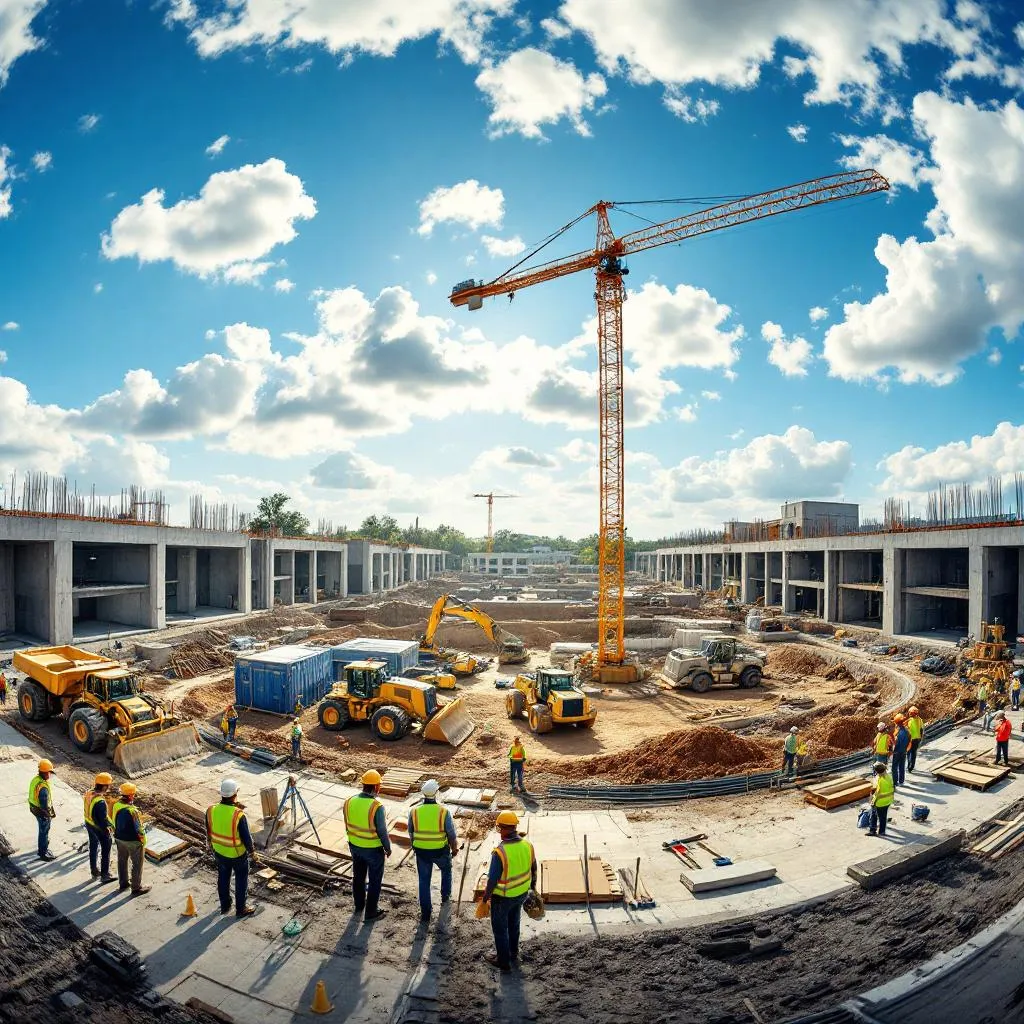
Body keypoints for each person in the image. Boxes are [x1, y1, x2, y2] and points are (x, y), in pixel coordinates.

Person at [481, 810, 537, 972]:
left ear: (503, 829)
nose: (499, 832)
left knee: (500, 929)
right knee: (514, 923)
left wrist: (485, 898)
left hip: (503, 898)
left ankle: (503, 961)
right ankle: (513, 952)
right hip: (521, 894)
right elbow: (534, 868)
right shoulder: (528, 846)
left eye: (499, 828)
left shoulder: (500, 852)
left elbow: (492, 880)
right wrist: (533, 889)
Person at [344, 769, 391, 922]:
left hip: (354, 846)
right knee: (375, 880)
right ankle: (371, 912)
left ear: (363, 784)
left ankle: (359, 905)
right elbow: (382, 831)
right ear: (376, 787)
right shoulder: (376, 806)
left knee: (358, 876)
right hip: (373, 850)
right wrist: (387, 848)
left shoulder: (349, 801)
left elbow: (347, 823)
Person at [205, 778, 257, 918]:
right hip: (237, 854)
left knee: (223, 878)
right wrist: (252, 852)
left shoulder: (211, 810)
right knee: (241, 880)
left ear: (221, 794)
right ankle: (241, 909)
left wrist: (210, 846)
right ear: (235, 794)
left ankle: (225, 905)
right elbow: (246, 838)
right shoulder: (238, 814)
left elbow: (208, 830)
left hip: (219, 852)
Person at [409, 779, 458, 922]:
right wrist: (454, 848)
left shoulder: (414, 811)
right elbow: (451, 834)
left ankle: (425, 913)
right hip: (440, 851)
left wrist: (415, 846)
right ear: (436, 793)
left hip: (421, 852)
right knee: (446, 871)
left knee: (424, 880)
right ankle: (445, 898)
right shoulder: (443, 812)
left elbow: (411, 832)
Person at [113, 783, 150, 896]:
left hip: (119, 838)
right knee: (137, 864)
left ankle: (123, 883)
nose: (134, 795)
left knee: (122, 860)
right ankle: (136, 888)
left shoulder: (116, 805)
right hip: (133, 841)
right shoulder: (133, 811)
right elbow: (139, 829)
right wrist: (143, 841)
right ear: (130, 795)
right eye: (133, 794)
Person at [84, 771, 115, 883]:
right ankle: (105, 875)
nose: (109, 787)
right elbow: (102, 821)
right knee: (105, 850)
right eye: (108, 785)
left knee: (93, 847)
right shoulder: (100, 802)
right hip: (98, 828)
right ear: (104, 786)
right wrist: (107, 831)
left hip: (89, 823)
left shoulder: (89, 793)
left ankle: (94, 870)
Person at [28, 758, 57, 861]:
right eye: (49, 772)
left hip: (34, 808)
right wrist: (48, 816)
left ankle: (43, 847)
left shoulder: (36, 779)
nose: (50, 775)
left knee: (42, 831)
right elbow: (44, 806)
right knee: (43, 831)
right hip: (41, 812)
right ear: (45, 773)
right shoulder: (43, 788)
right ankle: (43, 853)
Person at [867, 762, 894, 838]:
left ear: (876, 771)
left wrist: (872, 800)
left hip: (879, 802)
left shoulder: (879, 779)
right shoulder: (889, 776)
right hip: (888, 800)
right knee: (883, 817)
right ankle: (882, 832)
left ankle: (873, 830)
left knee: (874, 815)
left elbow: (876, 792)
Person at [891, 716, 910, 787]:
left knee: (894, 767)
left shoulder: (900, 732)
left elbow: (896, 743)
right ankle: (901, 781)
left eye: (896, 723)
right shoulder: (907, 731)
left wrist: (891, 737)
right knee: (902, 766)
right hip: (904, 751)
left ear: (898, 723)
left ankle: (895, 782)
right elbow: (909, 741)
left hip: (898, 751)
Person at [906, 706, 925, 773]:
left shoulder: (910, 720)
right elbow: (921, 729)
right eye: (909, 712)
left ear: (915, 713)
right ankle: (911, 766)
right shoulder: (919, 719)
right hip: (916, 739)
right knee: (913, 753)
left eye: (911, 713)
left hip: (911, 739)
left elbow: (907, 730)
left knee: (909, 752)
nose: (909, 714)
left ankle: (910, 766)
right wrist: (921, 737)